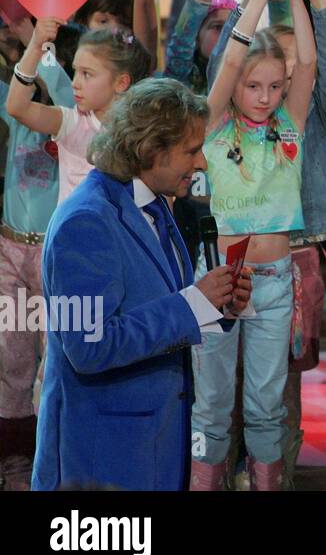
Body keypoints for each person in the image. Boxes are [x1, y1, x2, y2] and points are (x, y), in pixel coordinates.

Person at [32, 78, 250, 491]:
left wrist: (217, 304)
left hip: (152, 449)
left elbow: (155, 302)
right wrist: (191, 305)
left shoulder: (156, 205)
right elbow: (88, 345)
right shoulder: (86, 222)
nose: (202, 163)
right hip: (101, 459)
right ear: (152, 149)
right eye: (191, 151)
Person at [190, 0, 317, 491]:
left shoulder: (289, 124)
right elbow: (227, 63)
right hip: (216, 276)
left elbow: (308, 65)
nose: (265, 97)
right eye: (253, 87)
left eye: (273, 86)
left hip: (272, 282)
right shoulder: (213, 124)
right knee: (212, 405)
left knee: (267, 408)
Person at [0, 18, 73, 489]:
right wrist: (29, 47)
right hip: (10, 252)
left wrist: (40, 38)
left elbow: (61, 87)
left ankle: (53, 466)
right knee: (11, 364)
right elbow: (15, 96)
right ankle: (14, 464)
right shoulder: (13, 111)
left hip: (53, 258)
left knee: (54, 368)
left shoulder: (70, 119)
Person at [7, 23, 153, 202]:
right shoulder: (72, 123)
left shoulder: (143, 133)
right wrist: (36, 45)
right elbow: (17, 107)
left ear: (121, 82)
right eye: (76, 71)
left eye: (87, 74)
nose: (74, 83)